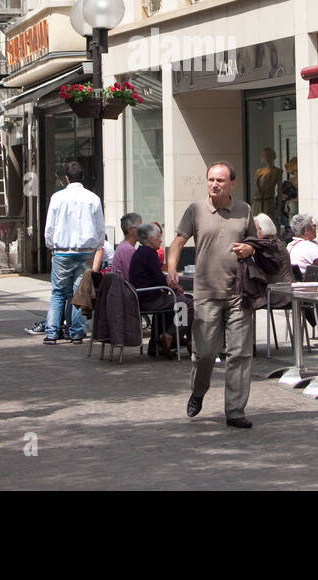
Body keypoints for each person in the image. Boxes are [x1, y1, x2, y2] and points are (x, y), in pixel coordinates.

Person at [166, 161, 258, 429]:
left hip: (239, 292)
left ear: (232, 183)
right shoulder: (195, 210)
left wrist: (249, 250)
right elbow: (178, 241)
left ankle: (235, 410)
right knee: (205, 353)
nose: (214, 184)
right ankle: (198, 390)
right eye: (210, 180)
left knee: (240, 354)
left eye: (220, 180)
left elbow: (255, 242)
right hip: (206, 292)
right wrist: (171, 269)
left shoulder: (244, 210)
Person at [41, 161, 104, 344]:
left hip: (62, 251)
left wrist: (51, 244)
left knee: (58, 293)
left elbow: (50, 226)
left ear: (66, 178)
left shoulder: (57, 198)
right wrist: (98, 245)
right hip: (85, 251)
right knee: (80, 292)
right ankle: (76, 332)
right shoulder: (93, 198)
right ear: (82, 177)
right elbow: (100, 227)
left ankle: (52, 332)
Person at [128, 222, 190, 358]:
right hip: (149, 299)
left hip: (143, 296)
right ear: (150, 238)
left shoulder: (140, 252)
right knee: (188, 304)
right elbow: (160, 278)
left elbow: (158, 278)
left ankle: (157, 342)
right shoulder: (149, 253)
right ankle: (171, 336)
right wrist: (175, 286)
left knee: (182, 300)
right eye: (158, 237)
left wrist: (172, 286)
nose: (161, 240)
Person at [106, 212, 142, 277]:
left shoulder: (124, 246)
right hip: (126, 286)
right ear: (130, 230)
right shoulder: (128, 249)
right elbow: (133, 276)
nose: (143, 230)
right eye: (140, 227)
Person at [253, 147, 281, 218]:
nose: (261, 157)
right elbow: (256, 188)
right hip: (257, 202)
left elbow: (279, 190)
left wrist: (279, 207)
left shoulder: (277, 172)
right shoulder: (259, 171)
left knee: (267, 224)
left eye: (263, 155)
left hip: (268, 203)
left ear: (269, 156)